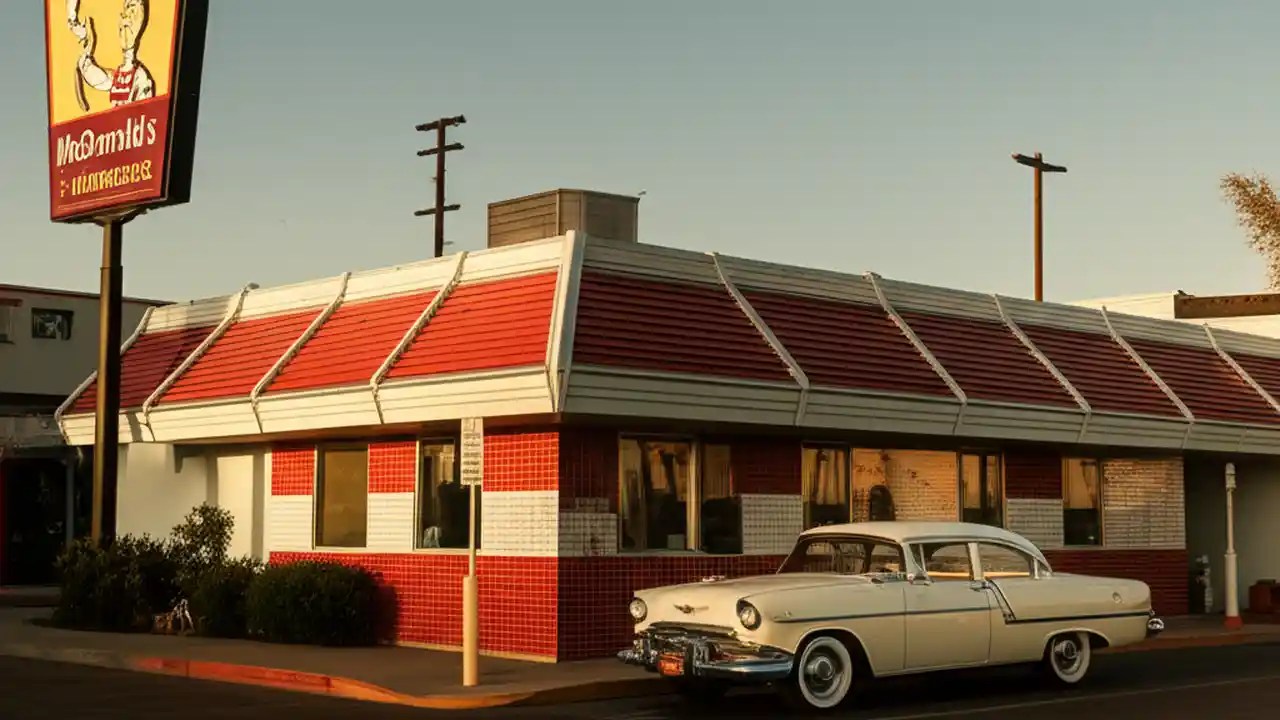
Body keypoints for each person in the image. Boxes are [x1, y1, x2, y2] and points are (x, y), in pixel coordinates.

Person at [69, 0, 155, 108]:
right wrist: (88, 45)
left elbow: (146, 113)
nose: (126, 19)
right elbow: (92, 74)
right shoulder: (117, 76)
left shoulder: (140, 76)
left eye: (133, 11)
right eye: (126, 12)